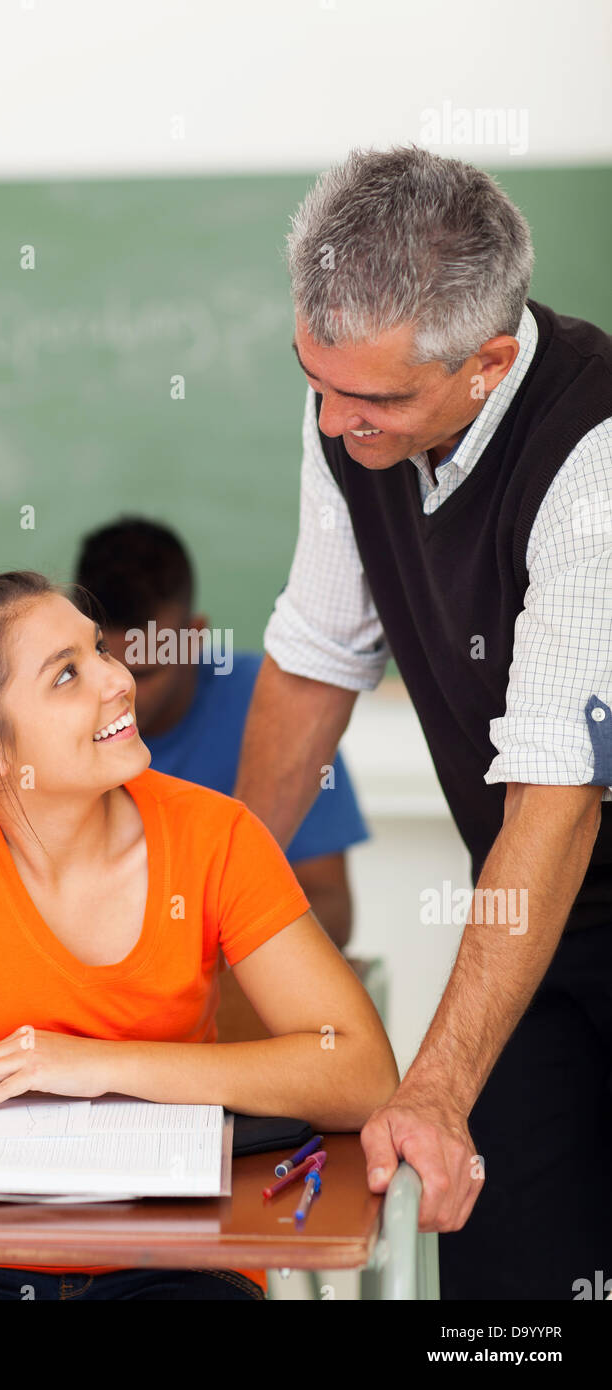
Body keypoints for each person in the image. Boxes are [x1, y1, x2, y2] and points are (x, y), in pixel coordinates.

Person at [0, 570, 398, 1301]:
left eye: (98, 650)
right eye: (67, 674)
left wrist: (97, 1066)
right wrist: (25, 1086)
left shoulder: (217, 835)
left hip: (178, 1256)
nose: (116, 679)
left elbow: (360, 1075)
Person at [234, 143, 612, 1301]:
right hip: (531, 931)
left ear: (487, 362)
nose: (341, 423)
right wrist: (195, 909)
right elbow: (312, 660)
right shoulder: (351, 414)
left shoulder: (591, 461)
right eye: (319, 382)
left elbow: (554, 792)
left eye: (378, 399)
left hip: (551, 856)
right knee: (506, 1286)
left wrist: (435, 1086)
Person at [73, 514, 370, 953]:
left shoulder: (278, 708)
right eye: (99, 665)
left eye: (145, 672)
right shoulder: (42, 718)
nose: (119, 692)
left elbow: (330, 907)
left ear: (193, 639)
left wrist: (193, 955)